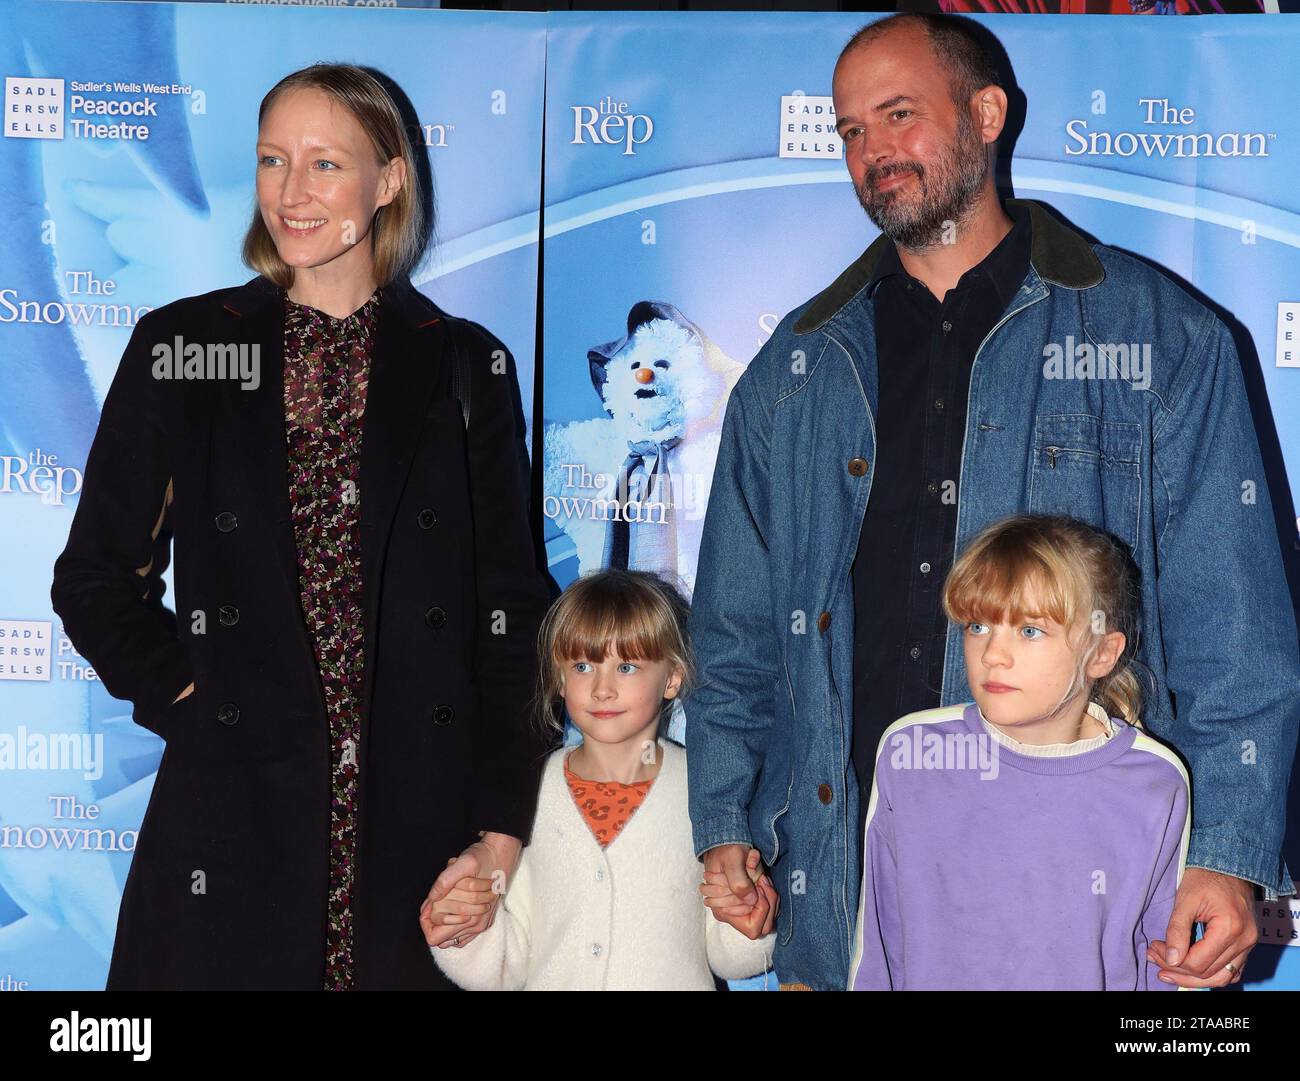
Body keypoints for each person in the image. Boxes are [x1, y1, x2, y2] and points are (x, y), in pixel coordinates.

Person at [687, 13, 1299, 990]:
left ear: (984, 114)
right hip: (845, 920)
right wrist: (723, 825)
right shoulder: (790, 377)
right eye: (849, 130)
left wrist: (1224, 851)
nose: (871, 152)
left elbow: (1238, 635)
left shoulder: (1161, 339)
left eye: (898, 115)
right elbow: (733, 640)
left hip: (1083, 923)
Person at [50, 63, 554, 990]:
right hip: (234, 804)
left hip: (414, 815)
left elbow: (511, 613)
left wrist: (500, 827)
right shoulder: (186, 348)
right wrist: (193, 701)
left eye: (325, 164)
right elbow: (93, 576)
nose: (291, 191)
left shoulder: (463, 365)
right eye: (273, 160)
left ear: (389, 181)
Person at [848, 514, 1190, 990]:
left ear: (1102, 654)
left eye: (1029, 631)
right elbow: (878, 949)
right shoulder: (912, 755)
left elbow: (1161, 965)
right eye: (977, 626)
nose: (992, 655)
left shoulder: (1155, 783)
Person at [424, 569, 777, 990]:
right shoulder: (528, 795)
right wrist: (464, 928)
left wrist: (747, 914)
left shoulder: (707, 794)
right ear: (559, 676)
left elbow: (730, 958)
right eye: (583, 665)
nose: (602, 689)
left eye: (626, 666)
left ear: (672, 678)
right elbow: (505, 965)